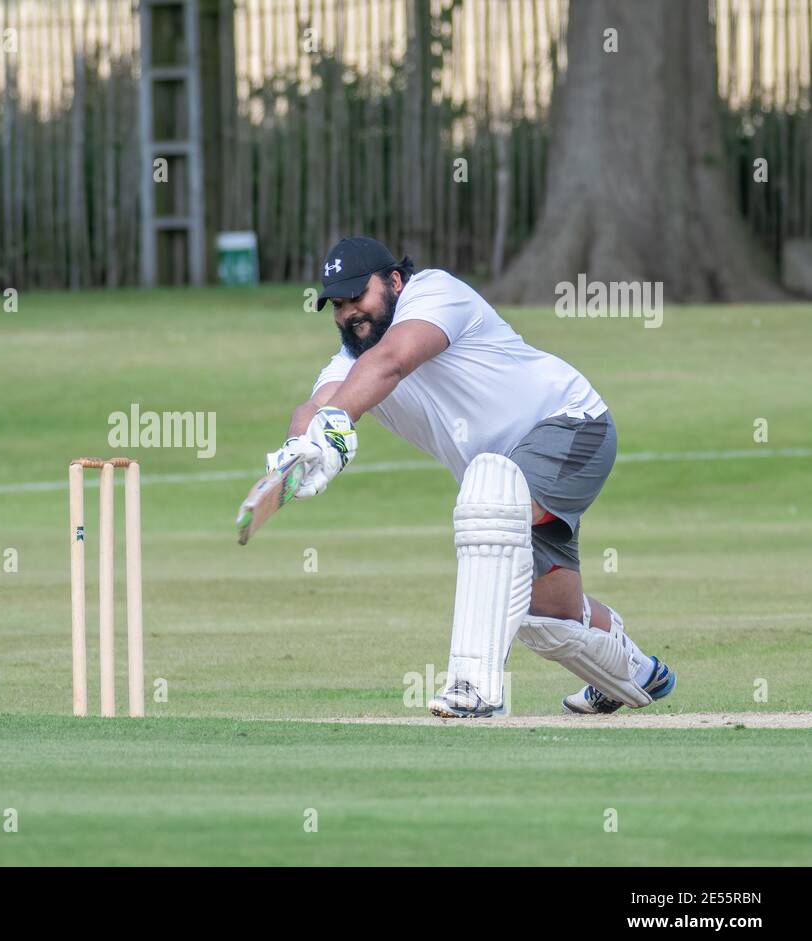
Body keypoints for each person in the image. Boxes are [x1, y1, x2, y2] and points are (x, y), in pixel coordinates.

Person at [268, 237, 676, 717]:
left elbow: (393, 361)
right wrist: (301, 447)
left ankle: (474, 690)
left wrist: (333, 425)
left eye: (358, 296)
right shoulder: (354, 363)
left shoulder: (435, 294)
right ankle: (636, 674)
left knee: (489, 499)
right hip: (506, 477)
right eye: (337, 304)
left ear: (395, 281)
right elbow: (315, 406)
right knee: (547, 619)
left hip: (571, 426)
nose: (347, 312)